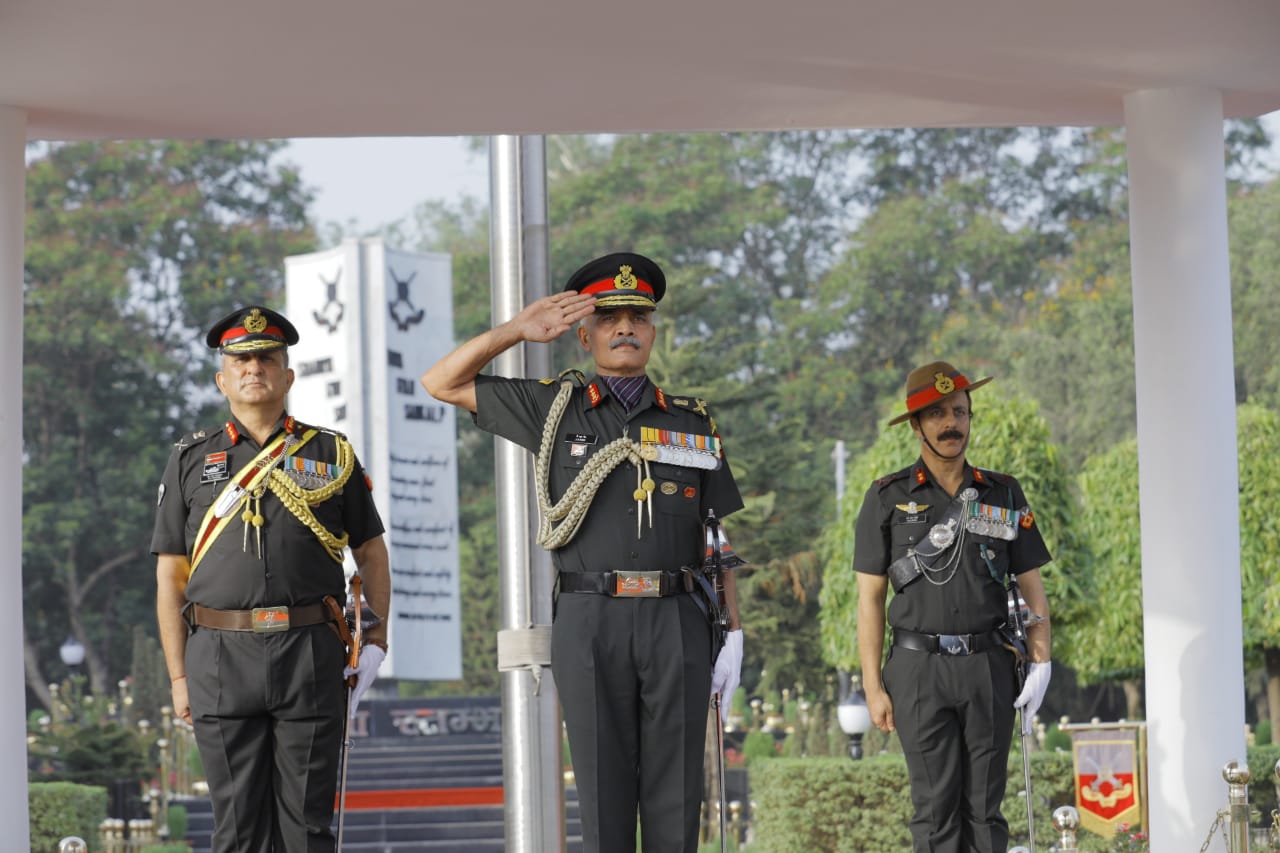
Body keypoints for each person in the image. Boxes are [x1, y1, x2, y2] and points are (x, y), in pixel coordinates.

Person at [421, 252, 745, 853]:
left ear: (652, 330)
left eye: (638, 317)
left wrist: (735, 633)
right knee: (602, 793)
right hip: (590, 617)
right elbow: (440, 382)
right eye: (610, 317)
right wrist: (517, 329)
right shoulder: (553, 407)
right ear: (585, 332)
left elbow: (716, 539)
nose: (625, 328)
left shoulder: (692, 423)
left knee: (678, 797)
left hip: (678, 618)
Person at [152, 305, 390, 853]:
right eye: (241, 359)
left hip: (309, 649)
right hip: (217, 656)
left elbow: (371, 552)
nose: (253, 367)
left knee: (306, 829)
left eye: (266, 358)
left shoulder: (331, 454)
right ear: (223, 378)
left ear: (288, 374)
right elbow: (170, 577)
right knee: (236, 830)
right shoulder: (190, 459)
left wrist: (375, 639)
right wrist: (177, 676)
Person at [853, 361, 1052, 853]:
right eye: (938, 414)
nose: (951, 424)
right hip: (918, 669)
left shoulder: (1003, 493)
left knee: (985, 810)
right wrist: (873, 685)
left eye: (960, 412)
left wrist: (1042, 663)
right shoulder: (887, 497)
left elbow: (1031, 586)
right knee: (935, 811)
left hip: (989, 664)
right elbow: (870, 600)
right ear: (917, 425)